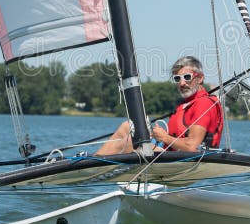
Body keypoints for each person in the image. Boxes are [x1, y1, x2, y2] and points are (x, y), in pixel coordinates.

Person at [94, 56, 222, 155]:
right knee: (127, 126)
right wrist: (158, 135)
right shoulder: (187, 103)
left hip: (185, 160)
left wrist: (164, 137)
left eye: (187, 77)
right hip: (170, 154)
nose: (182, 83)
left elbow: (191, 146)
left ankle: (92, 167)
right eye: (177, 79)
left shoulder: (203, 104)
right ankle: (92, 161)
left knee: (132, 142)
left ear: (200, 78)